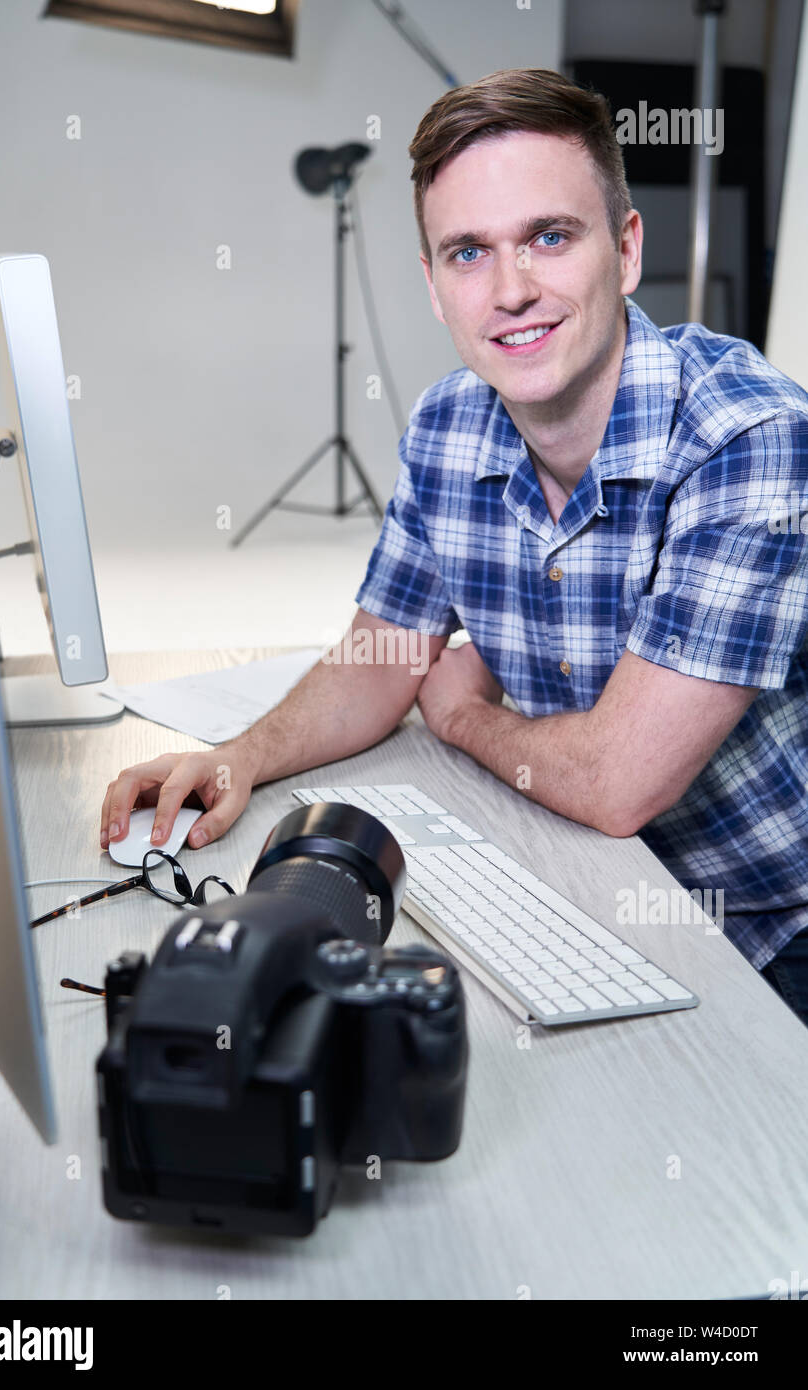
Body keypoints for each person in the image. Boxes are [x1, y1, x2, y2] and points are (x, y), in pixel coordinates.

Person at [100, 68, 808, 1024]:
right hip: (582, 876)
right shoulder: (447, 426)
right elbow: (381, 660)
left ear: (628, 249)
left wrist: (464, 714)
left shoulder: (747, 439)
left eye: (549, 238)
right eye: (468, 253)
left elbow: (617, 784)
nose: (511, 290)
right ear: (434, 287)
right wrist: (241, 757)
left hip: (768, 924)